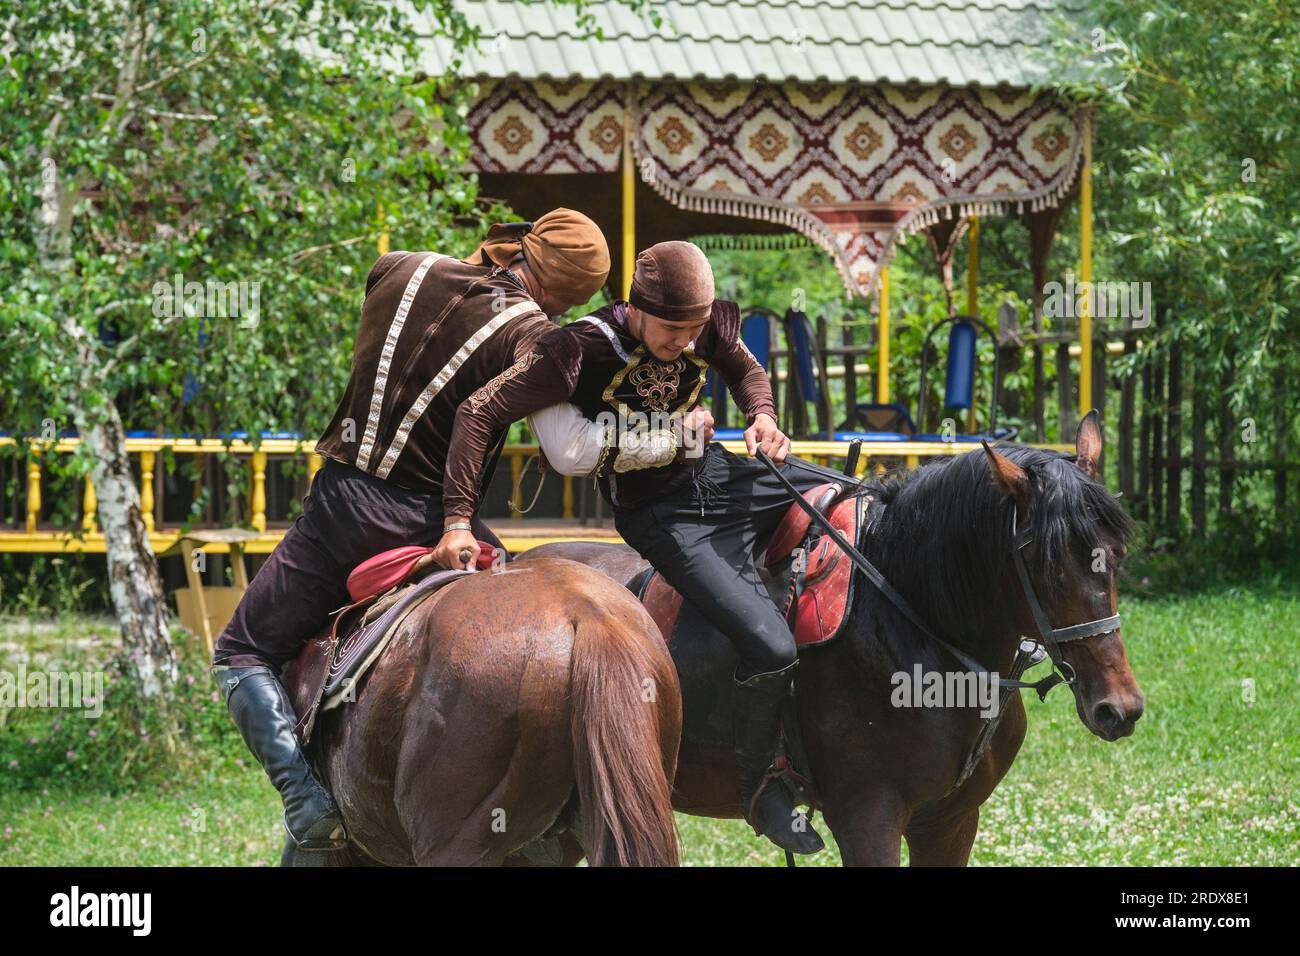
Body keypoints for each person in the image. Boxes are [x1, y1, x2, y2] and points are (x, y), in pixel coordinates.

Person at [211, 208, 611, 851]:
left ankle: (305, 799)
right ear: (565, 294)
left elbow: (389, 288)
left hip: (339, 510)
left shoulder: (402, 268)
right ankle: (547, 804)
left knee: (241, 652)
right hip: (433, 522)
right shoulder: (533, 333)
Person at [435, 240, 827, 854]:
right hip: (661, 515)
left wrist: (763, 416)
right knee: (769, 643)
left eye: (695, 329)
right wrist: (458, 519)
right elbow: (479, 412)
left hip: (724, 478)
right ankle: (761, 789)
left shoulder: (714, 323)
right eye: (673, 329)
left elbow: (747, 372)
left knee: (844, 502)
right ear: (638, 309)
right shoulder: (577, 349)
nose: (686, 342)